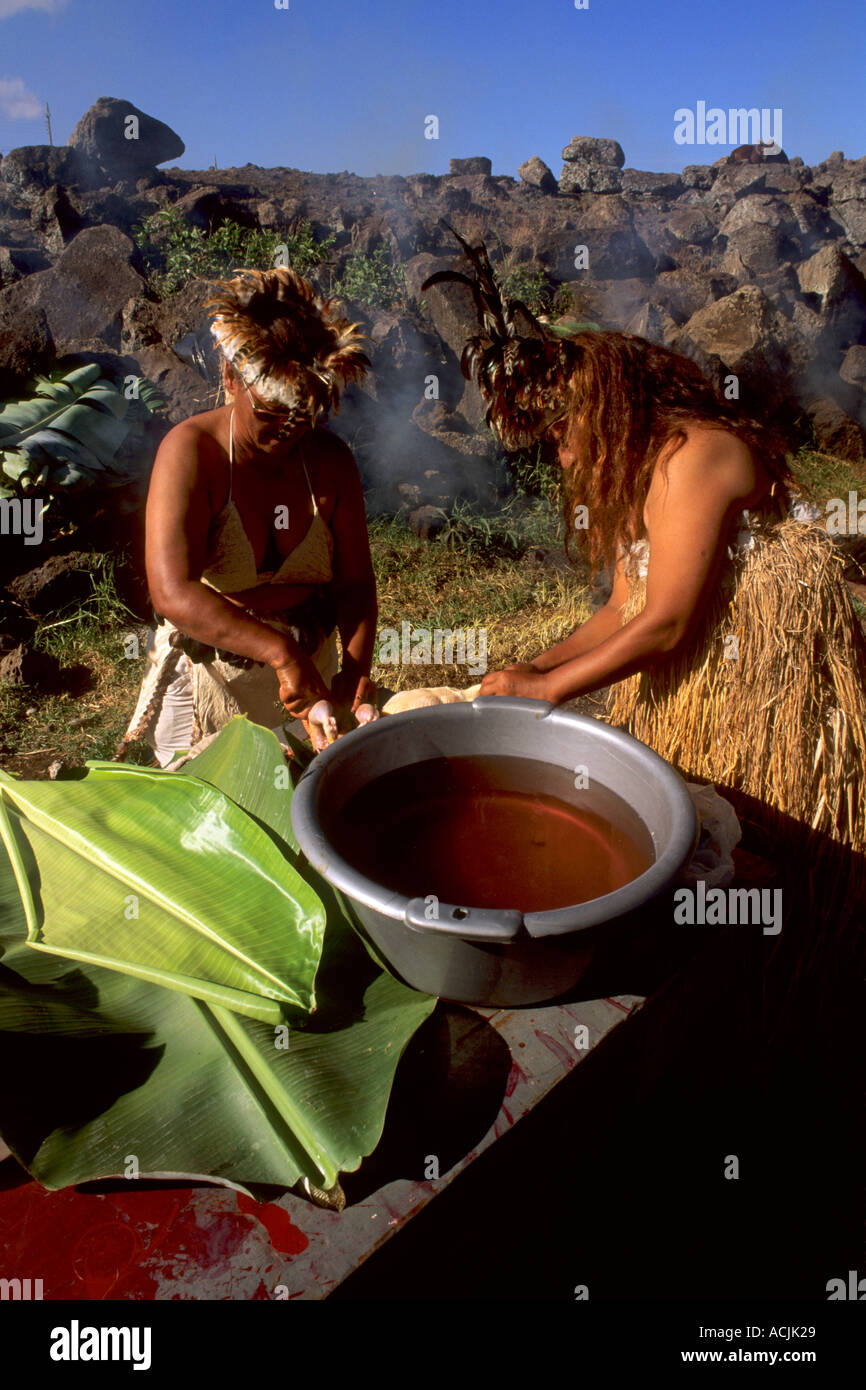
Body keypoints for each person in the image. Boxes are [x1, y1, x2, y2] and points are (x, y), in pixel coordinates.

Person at [118, 267, 377, 764]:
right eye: (270, 412)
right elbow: (171, 590)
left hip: (310, 676)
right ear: (230, 378)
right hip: (212, 677)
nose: (289, 429)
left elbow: (355, 585)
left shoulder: (330, 460)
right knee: (201, 813)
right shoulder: (192, 452)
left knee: (304, 796)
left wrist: (355, 668)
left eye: (304, 414)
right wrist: (281, 653)